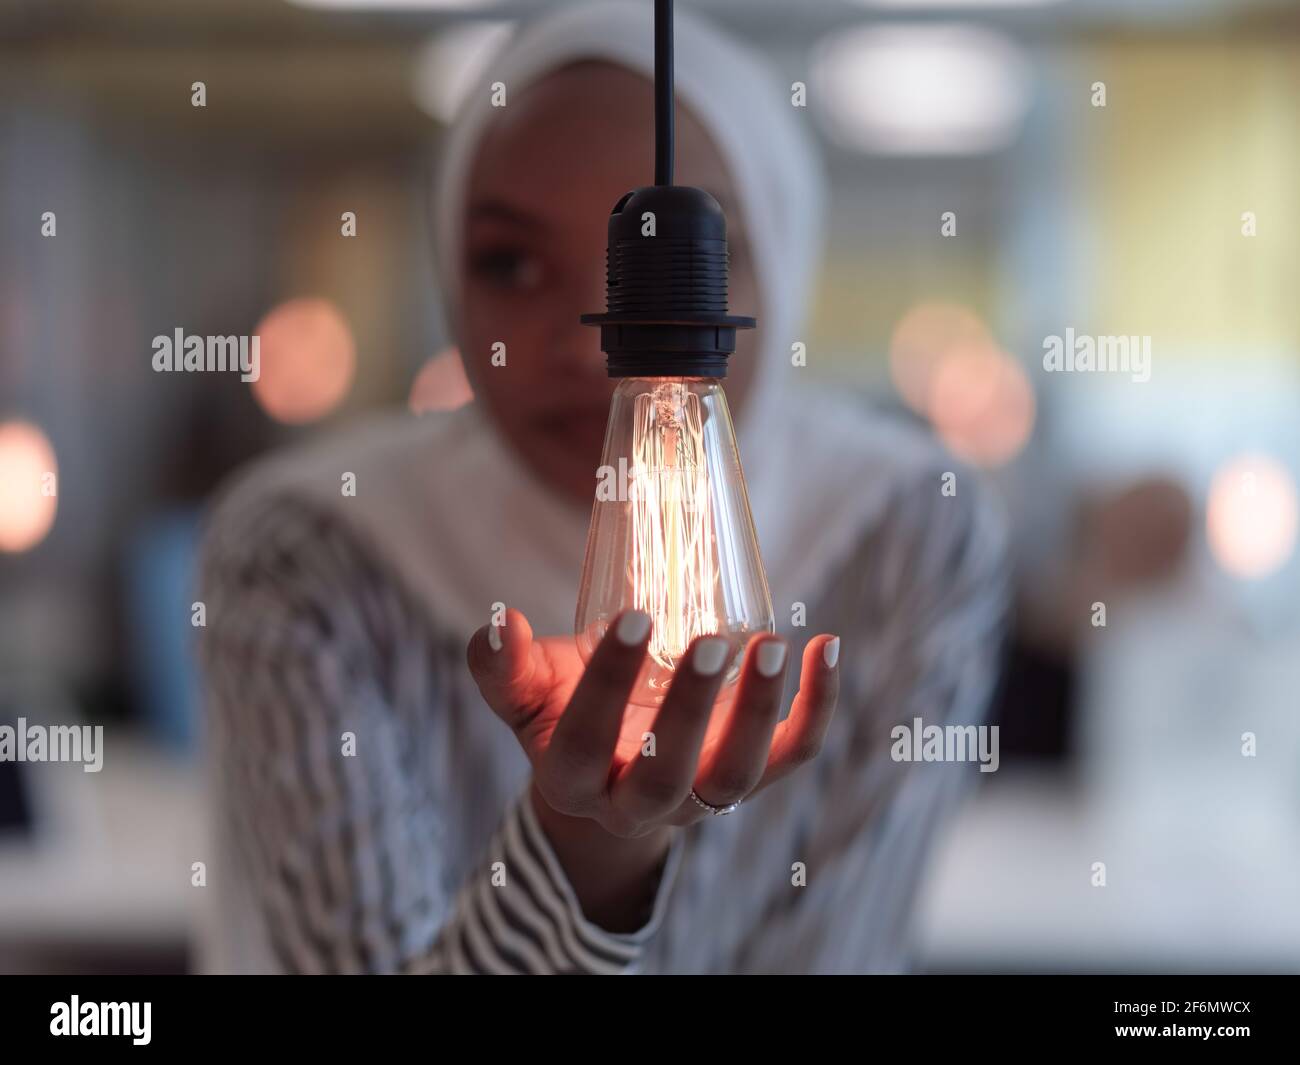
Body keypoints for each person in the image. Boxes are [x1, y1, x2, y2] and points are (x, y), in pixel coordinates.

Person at [197, 1, 1009, 975]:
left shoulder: (910, 531)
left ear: (783, 268)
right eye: (515, 263)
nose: (589, 344)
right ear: (451, 280)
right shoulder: (307, 552)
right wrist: (582, 857)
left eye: (691, 267)